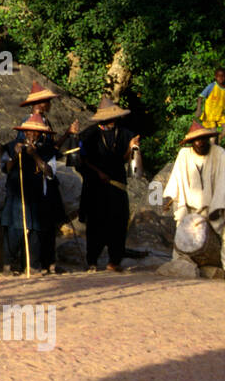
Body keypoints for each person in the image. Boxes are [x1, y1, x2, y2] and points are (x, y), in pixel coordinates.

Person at [162, 120, 225, 280]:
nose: (200, 143)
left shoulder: (219, 153)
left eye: (204, 139)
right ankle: (179, 265)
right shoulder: (184, 154)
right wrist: (169, 197)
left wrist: (217, 207)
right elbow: (176, 177)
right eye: (196, 140)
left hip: (216, 203)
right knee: (182, 232)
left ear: (208, 139)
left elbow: (223, 181)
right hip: (191, 206)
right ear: (191, 142)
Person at [78, 96, 141, 272]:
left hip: (117, 185)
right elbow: (81, 160)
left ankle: (114, 260)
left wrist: (132, 147)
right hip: (95, 187)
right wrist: (97, 172)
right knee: (95, 224)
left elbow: (126, 159)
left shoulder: (125, 134)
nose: (113, 121)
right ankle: (92, 261)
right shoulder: (89, 134)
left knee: (119, 223)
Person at [18, 81, 76, 269]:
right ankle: (34, 262)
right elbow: (26, 152)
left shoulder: (46, 123)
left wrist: (67, 134)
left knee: (49, 221)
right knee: (36, 222)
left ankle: (49, 261)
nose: (50, 105)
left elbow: (52, 149)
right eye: (48, 101)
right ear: (41, 103)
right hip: (34, 180)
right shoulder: (28, 125)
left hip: (48, 177)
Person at [1, 113, 56, 275]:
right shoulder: (12, 146)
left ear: (41, 134)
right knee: (14, 230)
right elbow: (5, 168)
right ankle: (7, 266)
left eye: (35, 132)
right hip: (16, 193)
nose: (31, 134)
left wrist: (34, 155)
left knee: (35, 231)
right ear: (24, 132)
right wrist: (16, 156)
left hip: (36, 195)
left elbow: (50, 173)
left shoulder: (47, 149)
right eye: (28, 131)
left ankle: (32, 265)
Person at [196, 67, 225, 142]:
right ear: (215, 77)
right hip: (210, 114)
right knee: (213, 132)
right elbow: (200, 97)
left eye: (223, 76)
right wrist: (198, 109)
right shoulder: (212, 86)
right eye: (218, 76)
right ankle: (212, 148)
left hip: (220, 114)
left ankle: (218, 140)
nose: (221, 78)